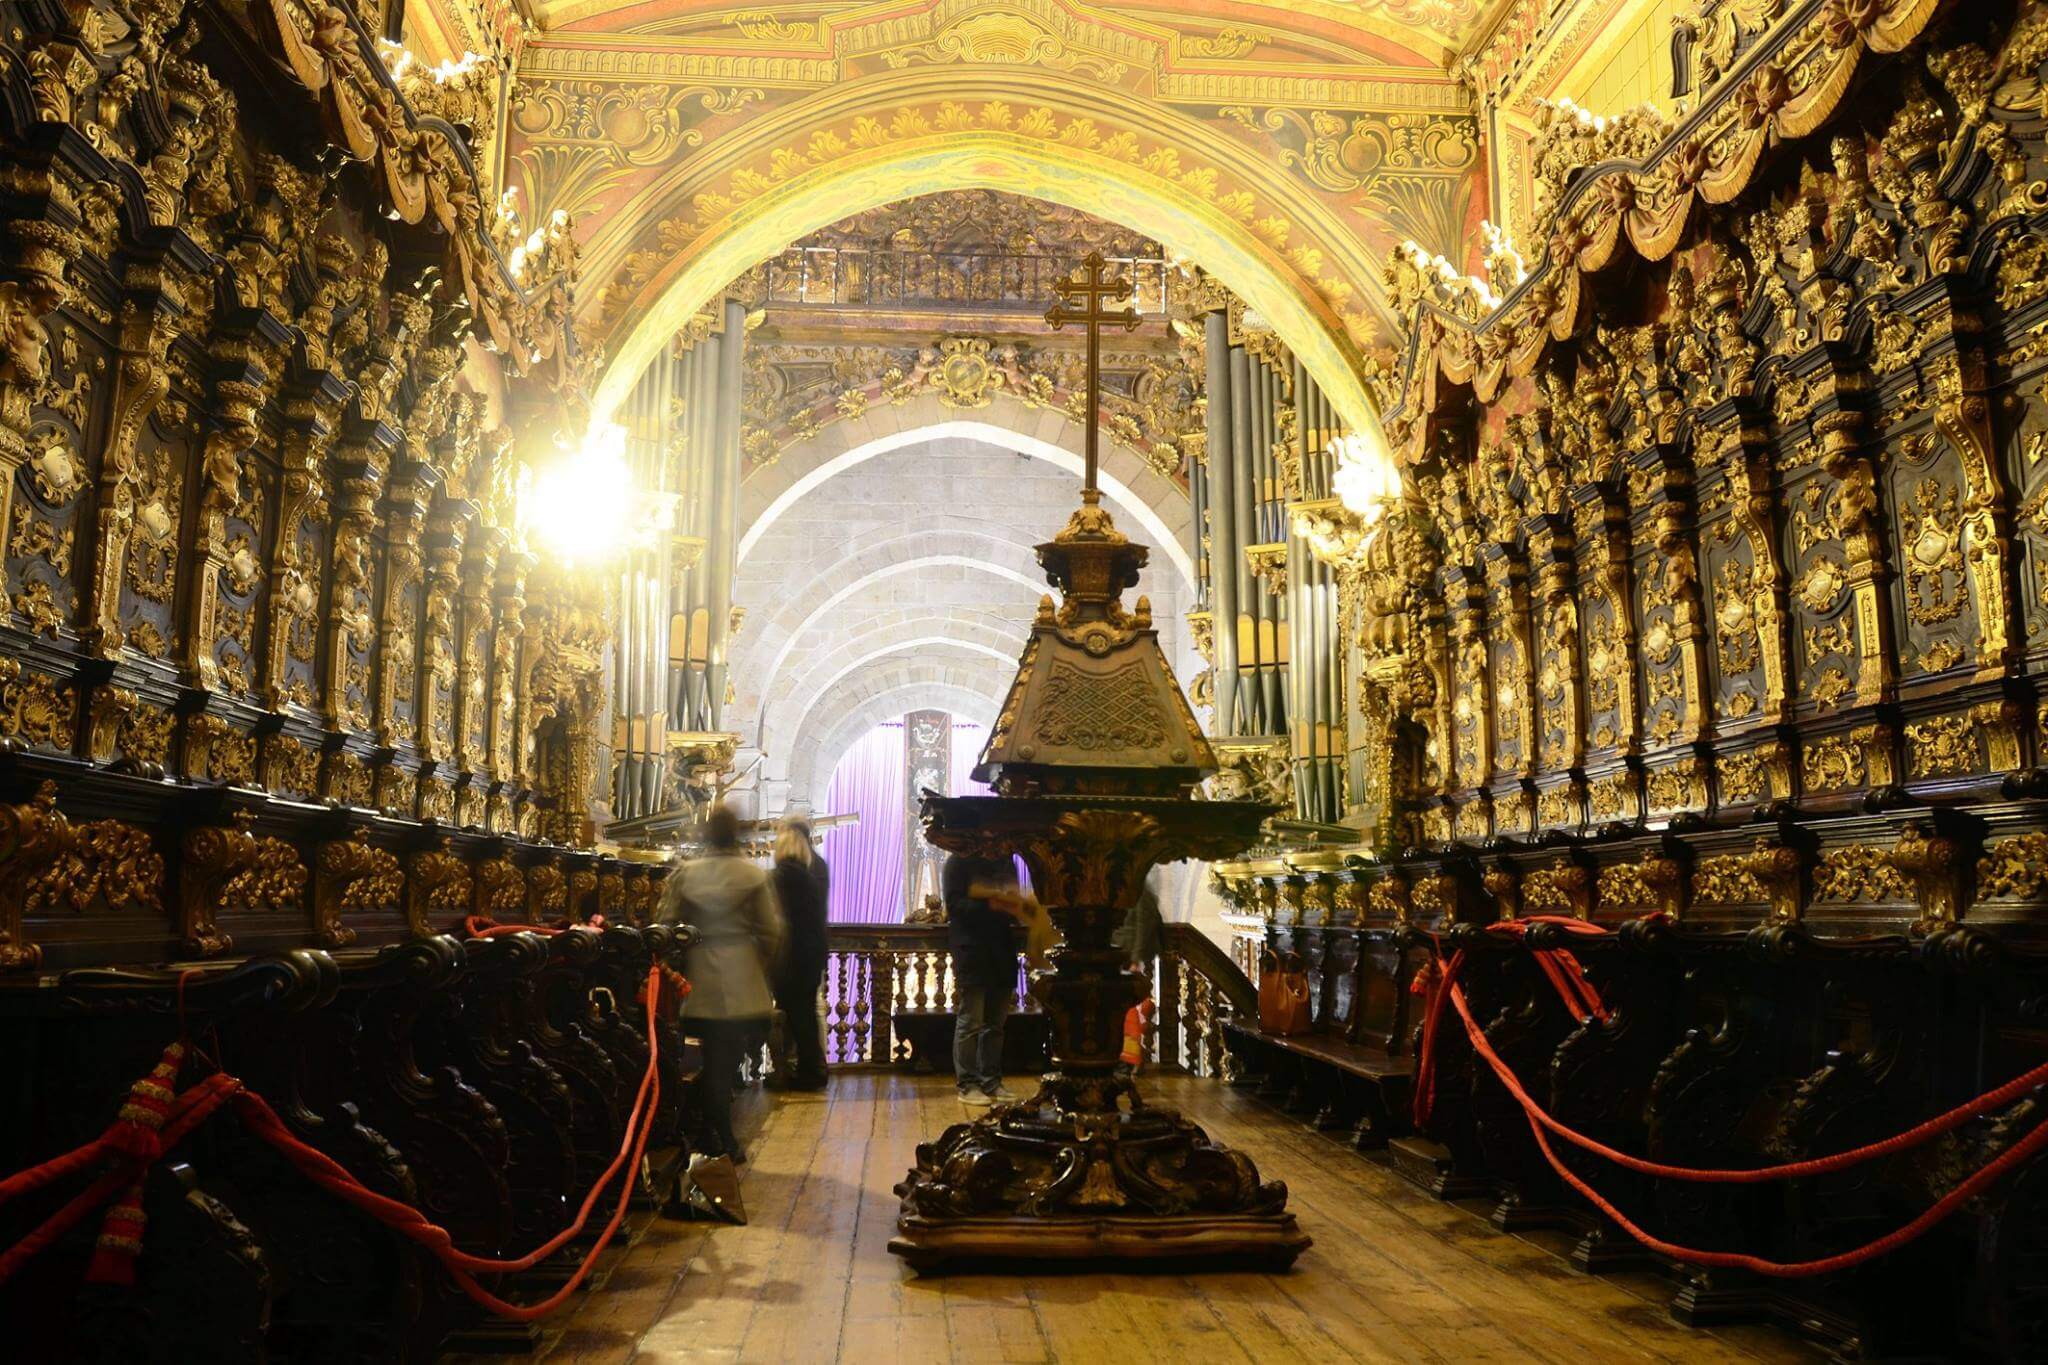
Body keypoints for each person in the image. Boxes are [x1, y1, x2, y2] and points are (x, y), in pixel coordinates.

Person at [661, 803, 782, 1163]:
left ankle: (710, 1135)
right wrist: (759, 965)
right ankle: (721, 1139)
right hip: (741, 977)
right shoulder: (752, 876)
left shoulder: (687, 875)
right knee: (722, 1064)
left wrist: (677, 965)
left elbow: (666, 924)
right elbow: (771, 931)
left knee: (714, 1059)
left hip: (702, 978)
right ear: (738, 835)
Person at [942, 850, 1028, 1107]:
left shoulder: (1004, 861)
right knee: (971, 1020)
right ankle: (968, 1084)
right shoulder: (958, 860)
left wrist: (1011, 904)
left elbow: (1014, 904)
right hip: (972, 948)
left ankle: (991, 1081)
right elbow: (954, 905)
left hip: (1001, 949)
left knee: (995, 1023)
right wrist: (993, 903)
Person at [769, 820, 829, 1090]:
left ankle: (797, 1071)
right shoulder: (809, 875)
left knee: (792, 1015)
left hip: (790, 955)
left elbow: (773, 921)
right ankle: (812, 1070)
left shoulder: (779, 877)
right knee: (804, 1014)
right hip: (811, 953)